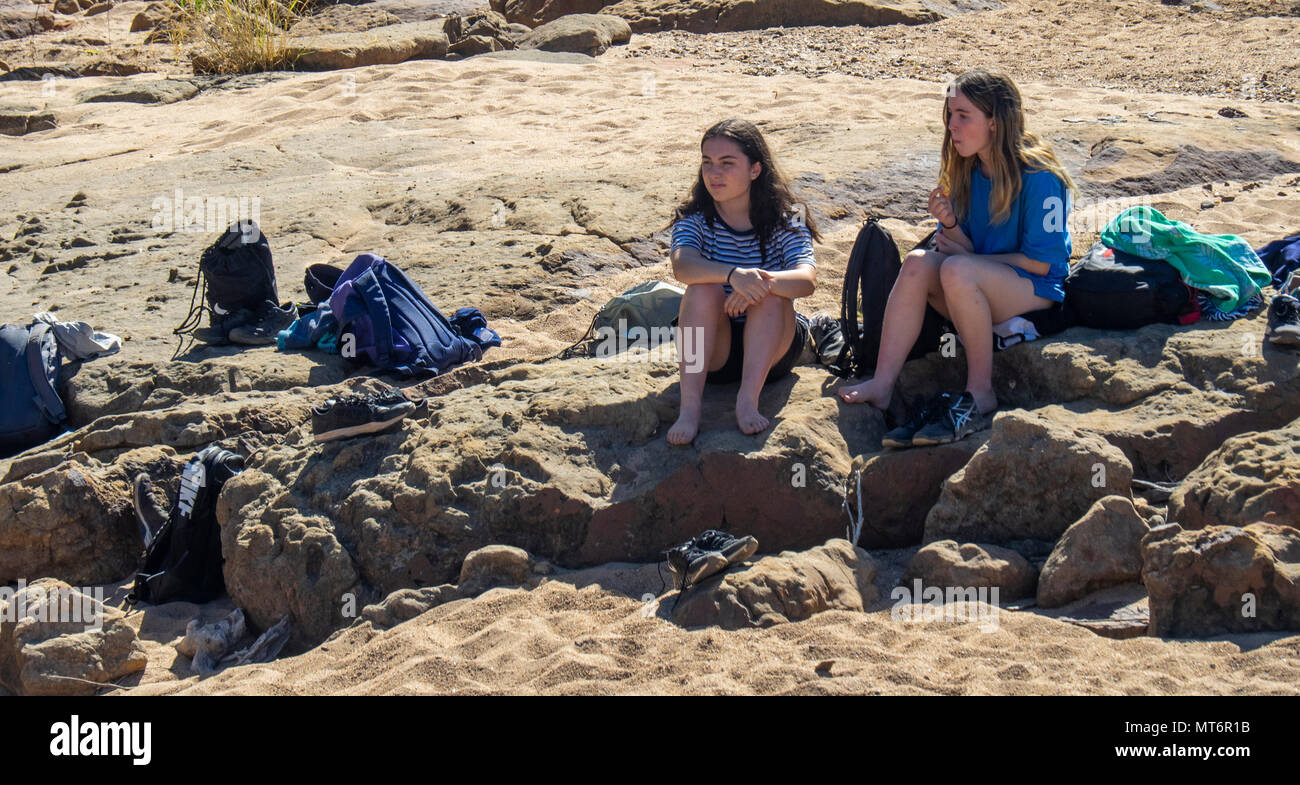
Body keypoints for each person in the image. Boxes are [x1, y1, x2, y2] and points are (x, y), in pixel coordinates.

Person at [837, 69, 1075, 446]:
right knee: (916, 263)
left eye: (964, 115)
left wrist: (968, 260)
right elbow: (962, 254)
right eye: (950, 115)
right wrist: (949, 224)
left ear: (995, 121)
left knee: (958, 271)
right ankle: (883, 384)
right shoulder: (968, 170)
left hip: (1036, 290)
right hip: (977, 287)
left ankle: (980, 392)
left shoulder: (1040, 175)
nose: (952, 125)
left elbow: (1042, 263)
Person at [666, 119, 820, 445]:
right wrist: (734, 276)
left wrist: (755, 287)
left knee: (773, 297)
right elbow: (683, 266)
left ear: (755, 170)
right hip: (714, 355)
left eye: (727, 163)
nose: (714, 173)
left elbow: (806, 280)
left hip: (773, 349)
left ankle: (748, 400)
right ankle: (690, 407)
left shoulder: (786, 217)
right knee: (702, 290)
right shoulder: (694, 218)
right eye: (707, 162)